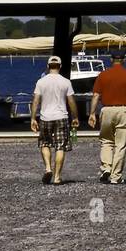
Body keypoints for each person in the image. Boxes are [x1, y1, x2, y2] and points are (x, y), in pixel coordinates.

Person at [88, 51, 126, 184]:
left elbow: (95, 95)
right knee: (120, 144)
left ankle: (106, 167)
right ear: (124, 60)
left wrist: (92, 113)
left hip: (106, 110)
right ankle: (115, 176)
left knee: (106, 141)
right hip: (124, 110)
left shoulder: (103, 75)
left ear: (111, 60)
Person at [31, 55, 78, 185]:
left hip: (45, 117)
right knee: (60, 147)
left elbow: (35, 101)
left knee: (44, 143)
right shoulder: (66, 82)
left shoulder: (41, 82)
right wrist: (75, 117)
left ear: (48, 66)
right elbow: (71, 101)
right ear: (60, 66)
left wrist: (33, 118)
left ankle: (47, 168)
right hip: (61, 117)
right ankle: (57, 177)